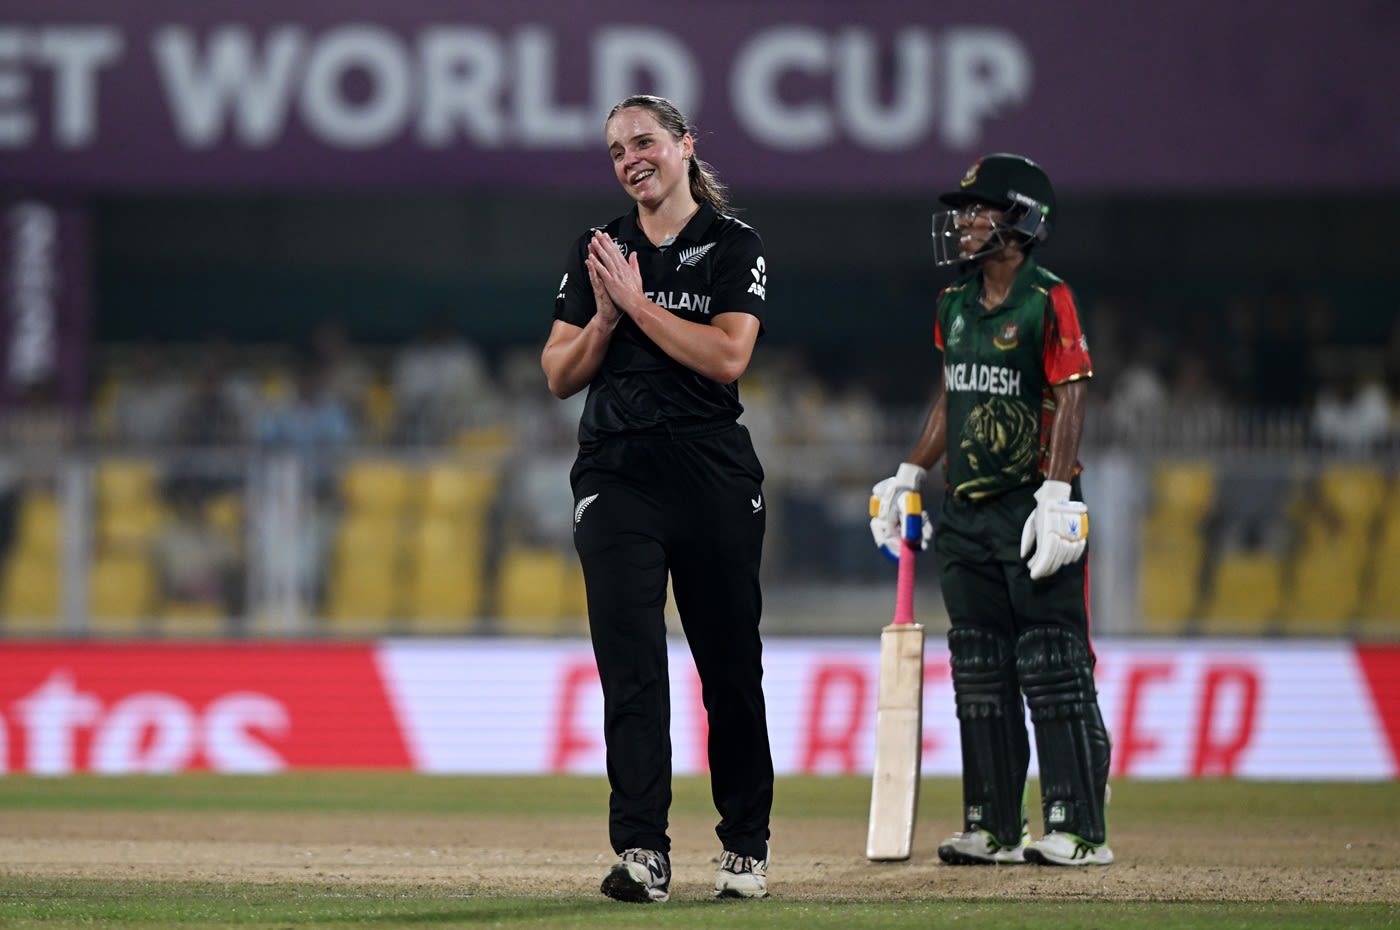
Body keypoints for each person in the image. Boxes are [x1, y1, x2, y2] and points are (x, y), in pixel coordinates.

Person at [541, 94, 774, 903]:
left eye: (643, 142)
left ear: (684, 146)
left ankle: (745, 845)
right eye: (616, 150)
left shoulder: (732, 244)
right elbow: (558, 373)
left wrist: (636, 306)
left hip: (711, 475)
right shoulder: (599, 250)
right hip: (617, 475)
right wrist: (605, 320)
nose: (629, 159)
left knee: (729, 668)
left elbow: (728, 356)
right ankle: (642, 850)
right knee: (630, 668)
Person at [869, 153, 1114, 867]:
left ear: (1024, 220)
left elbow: (1072, 391)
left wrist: (1058, 492)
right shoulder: (954, 303)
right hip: (967, 512)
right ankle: (994, 825)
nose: (965, 222)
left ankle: (1078, 827)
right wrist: (910, 471)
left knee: (1051, 661)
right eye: (964, 211)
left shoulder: (1048, 297)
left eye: (980, 210)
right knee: (978, 667)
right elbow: (953, 395)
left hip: (1031, 509)